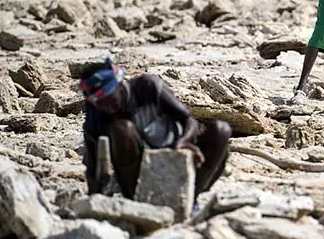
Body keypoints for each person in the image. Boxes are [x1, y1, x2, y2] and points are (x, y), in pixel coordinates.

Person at [79, 59, 232, 200]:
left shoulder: (148, 87)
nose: (107, 107)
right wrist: (93, 200)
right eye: (100, 103)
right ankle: (138, 201)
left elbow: (188, 120)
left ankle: (190, 198)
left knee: (221, 129)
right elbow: (92, 164)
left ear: (119, 84)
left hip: (178, 160)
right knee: (122, 129)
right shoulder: (96, 114)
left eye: (109, 98)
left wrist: (184, 141)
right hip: (138, 177)